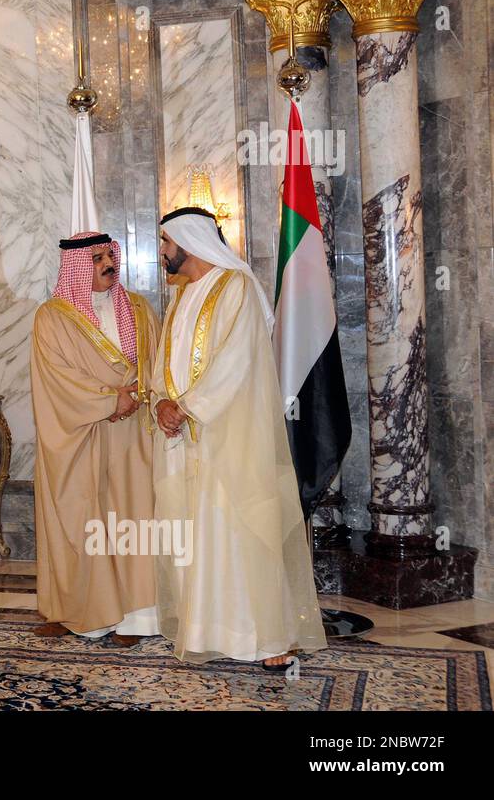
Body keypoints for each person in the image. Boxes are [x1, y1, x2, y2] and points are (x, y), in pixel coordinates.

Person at [151, 207, 327, 668]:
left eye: (167, 242)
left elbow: (237, 362)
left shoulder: (238, 288)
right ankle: (207, 630)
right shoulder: (181, 298)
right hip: (186, 438)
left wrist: (186, 407)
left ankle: (265, 639)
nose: (163, 251)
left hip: (231, 436)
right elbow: (161, 367)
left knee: (242, 531)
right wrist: (160, 404)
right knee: (199, 535)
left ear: (190, 242)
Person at [31, 232, 160, 645]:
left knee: (134, 518)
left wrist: (135, 395)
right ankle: (79, 611)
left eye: (110, 255)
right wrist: (108, 400)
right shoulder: (51, 317)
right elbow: (55, 379)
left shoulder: (139, 309)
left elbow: (159, 363)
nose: (108, 264)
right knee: (80, 518)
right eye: (97, 258)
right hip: (79, 435)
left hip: (133, 434)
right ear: (74, 266)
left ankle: (139, 616)